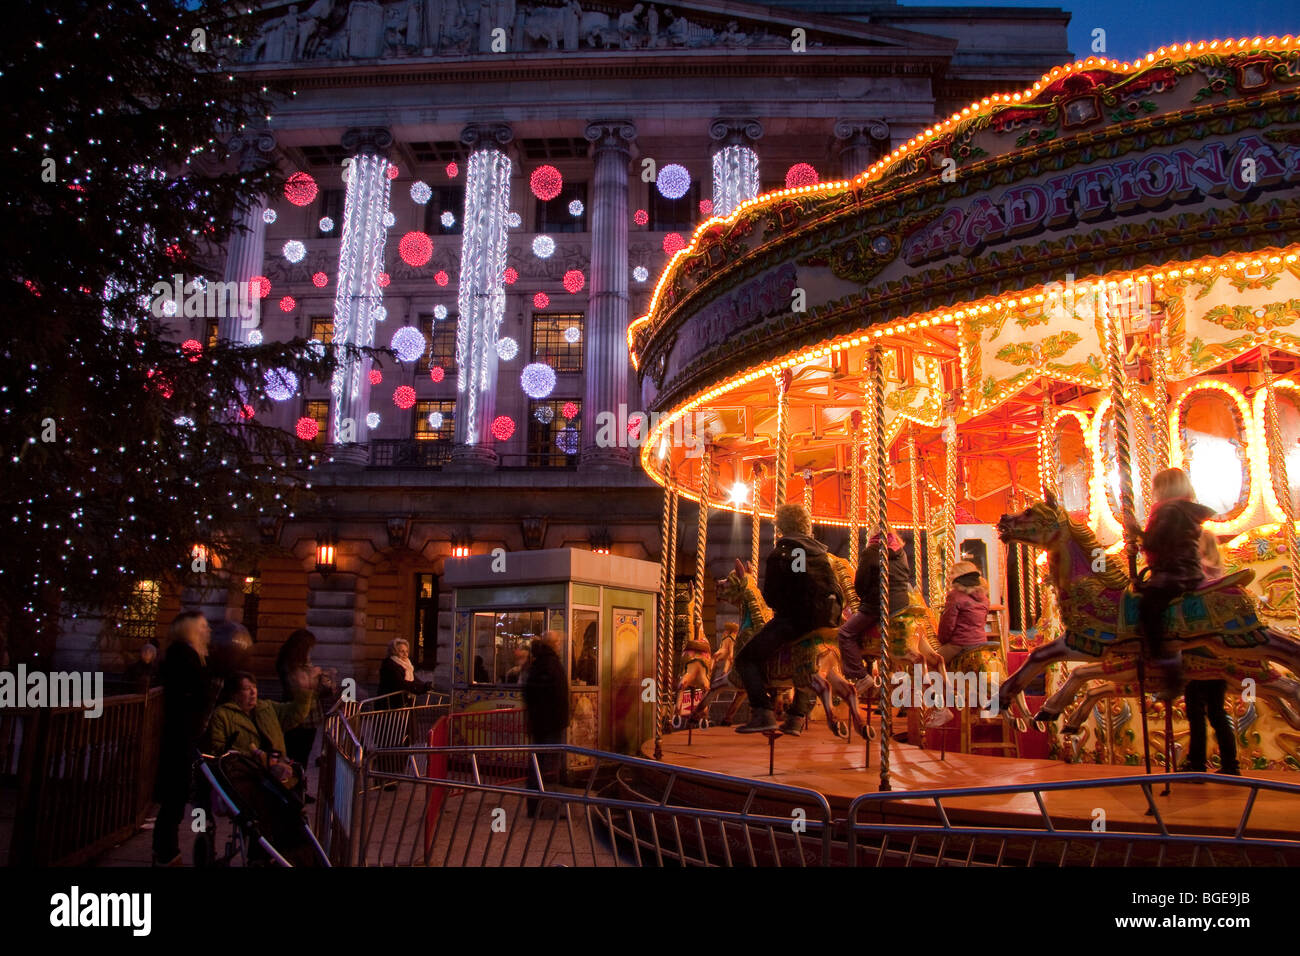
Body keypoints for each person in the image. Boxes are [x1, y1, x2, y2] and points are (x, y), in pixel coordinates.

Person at [735, 503, 843, 735]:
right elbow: (834, 587)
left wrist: (781, 606)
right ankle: (795, 717)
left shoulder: (784, 552)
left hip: (796, 619)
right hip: (826, 621)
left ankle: (762, 711)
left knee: (745, 659)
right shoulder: (820, 552)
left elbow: (772, 596)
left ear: (781, 525)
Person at [1129, 467, 1216, 695]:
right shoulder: (1185, 509)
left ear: (1165, 488)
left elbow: (1156, 542)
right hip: (1185, 571)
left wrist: (1135, 531)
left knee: (1147, 609)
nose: (1154, 492)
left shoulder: (1170, 510)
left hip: (1175, 574)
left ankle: (1168, 667)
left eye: (1157, 487)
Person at [152, 611, 213, 867]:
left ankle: (167, 852)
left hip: (184, 735)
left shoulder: (190, 655)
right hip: (179, 737)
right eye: (202, 625)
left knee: (176, 800)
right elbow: (189, 694)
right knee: (173, 801)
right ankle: (166, 854)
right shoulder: (182, 654)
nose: (207, 629)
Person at [1182, 528, 1240, 775]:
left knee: (1196, 710)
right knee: (1216, 710)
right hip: (1216, 652)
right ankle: (1229, 764)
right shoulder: (1216, 570)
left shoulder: (1200, 571)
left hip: (1199, 649)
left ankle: (1196, 764)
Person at [205, 670, 315, 788]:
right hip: (246, 778)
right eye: (247, 689)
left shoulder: (266, 707)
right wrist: (256, 757)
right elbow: (217, 749)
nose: (253, 692)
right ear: (235, 694)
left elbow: (294, 713)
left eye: (254, 687)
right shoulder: (223, 715)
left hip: (279, 774)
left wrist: (304, 691)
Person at [838, 528, 911, 692]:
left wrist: (863, 597)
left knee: (845, 633)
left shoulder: (871, 551)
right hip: (902, 604)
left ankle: (860, 676)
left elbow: (860, 583)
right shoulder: (901, 552)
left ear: (872, 535)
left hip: (878, 605)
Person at [522, 630, 569, 816]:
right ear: (552, 643)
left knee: (543, 764)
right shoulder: (547, 663)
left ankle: (543, 804)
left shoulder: (544, 662)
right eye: (558, 641)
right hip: (548, 724)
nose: (560, 644)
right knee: (545, 765)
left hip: (547, 722)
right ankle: (542, 806)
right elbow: (537, 694)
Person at [276, 628, 328, 768]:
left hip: (310, 718)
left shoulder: (305, 666)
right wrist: (313, 677)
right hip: (299, 718)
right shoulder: (290, 666)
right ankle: (293, 786)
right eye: (310, 648)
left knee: (303, 756)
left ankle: (299, 785)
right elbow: (297, 690)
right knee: (295, 756)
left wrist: (325, 684)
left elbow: (318, 692)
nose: (311, 652)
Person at [937, 561, 990, 664]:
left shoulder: (955, 595)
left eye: (953, 573)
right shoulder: (984, 597)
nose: (949, 576)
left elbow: (948, 623)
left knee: (931, 662)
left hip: (960, 644)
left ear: (962, 574)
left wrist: (942, 640)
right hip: (981, 641)